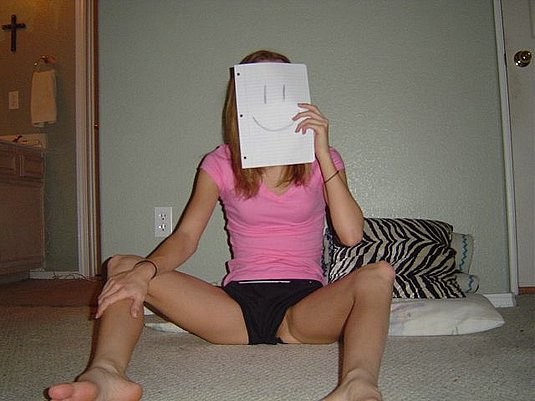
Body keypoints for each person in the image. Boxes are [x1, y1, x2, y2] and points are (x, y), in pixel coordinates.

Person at [47, 50, 395, 401]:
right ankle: (106, 374)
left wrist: (321, 152)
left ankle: (359, 385)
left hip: (305, 306)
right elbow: (186, 237)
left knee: (379, 274)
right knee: (123, 266)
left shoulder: (324, 159)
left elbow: (351, 235)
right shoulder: (220, 161)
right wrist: (145, 271)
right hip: (236, 308)